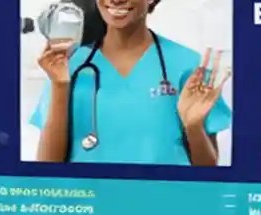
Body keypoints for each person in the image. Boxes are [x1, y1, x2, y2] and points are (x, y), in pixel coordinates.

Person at [30, 0, 233, 166]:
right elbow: (48, 167)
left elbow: (207, 171)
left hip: (164, 207)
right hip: (90, 209)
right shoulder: (68, 66)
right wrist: (59, 85)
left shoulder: (188, 66)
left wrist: (194, 127)